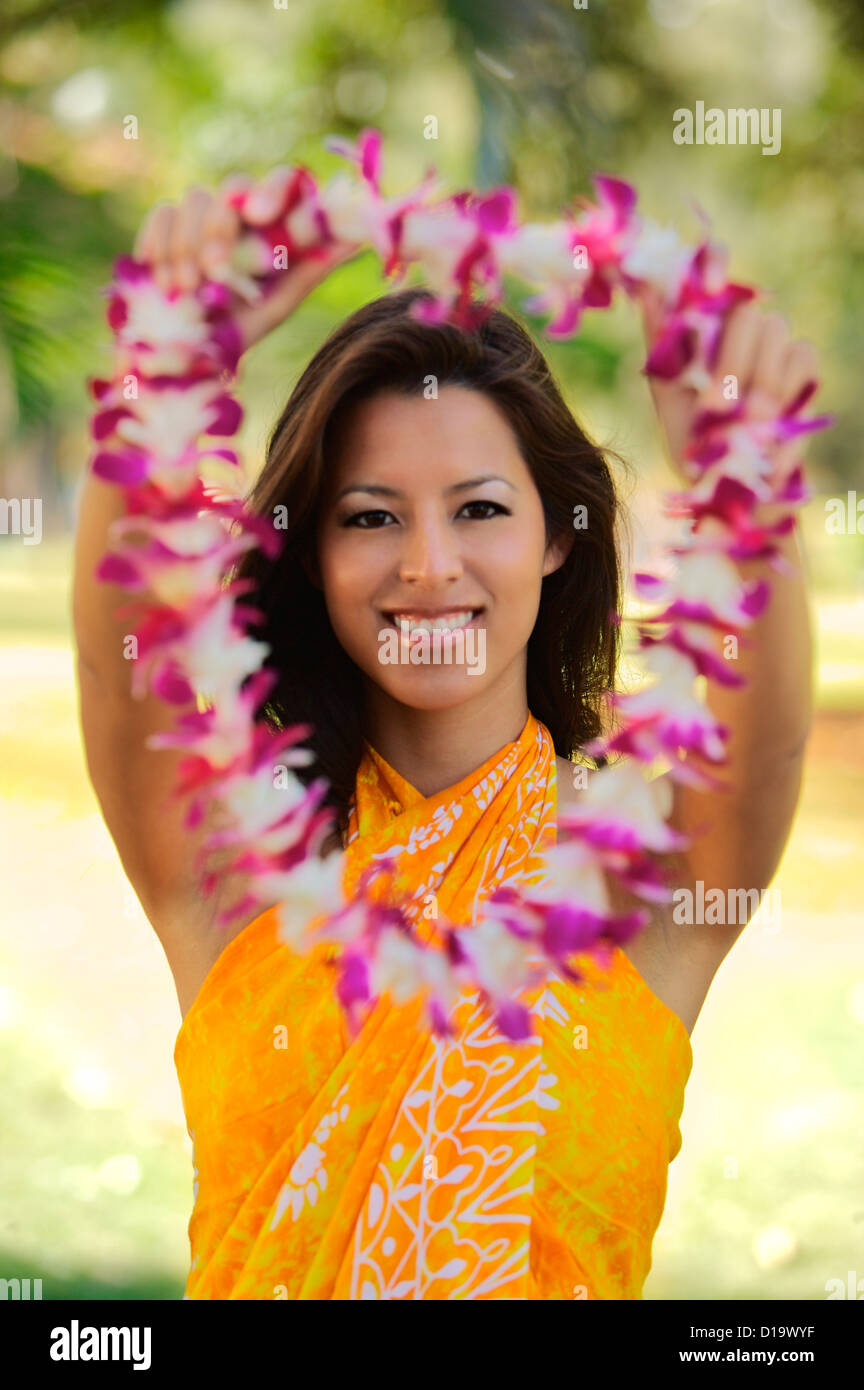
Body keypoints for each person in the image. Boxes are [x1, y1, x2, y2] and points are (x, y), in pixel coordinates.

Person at [73, 172, 817, 1299]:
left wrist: (737, 469)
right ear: (313, 556)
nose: (427, 566)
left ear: (558, 538)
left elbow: (761, 744)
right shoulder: (239, 875)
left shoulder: (641, 887)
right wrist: (166, 372)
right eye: (370, 517)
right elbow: (118, 652)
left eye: (478, 508)